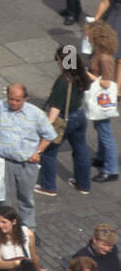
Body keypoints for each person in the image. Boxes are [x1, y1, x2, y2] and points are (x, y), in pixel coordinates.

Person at [0, 85, 57, 229]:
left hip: (27, 163)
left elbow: (49, 135)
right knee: (2, 197)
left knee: (26, 197)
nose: (13, 103)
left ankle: (28, 228)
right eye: (11, 99)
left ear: (25, 98)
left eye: (18, 100)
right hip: (3, 161)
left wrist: (38, 152)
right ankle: (3, 225)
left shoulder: (35, 114)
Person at [37, 45, 92, 196]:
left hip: (64, 120)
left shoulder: (63, 81)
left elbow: (54, 112)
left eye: (58, 59)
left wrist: (44, 131)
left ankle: (48, 186)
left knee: (48, 153)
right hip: (79, 116)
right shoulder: (81, 74)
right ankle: (83, 184)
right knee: (80, 150)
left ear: (64, 61)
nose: (58, 62)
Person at [85, 22, 119, 183]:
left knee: (105, 133)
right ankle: (100, 156)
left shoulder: (105, 58)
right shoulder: (98, 52)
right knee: (100, 128)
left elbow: (106, 82)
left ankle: (111, 169)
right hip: (99, 98)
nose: (87, 37)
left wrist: (86, 74)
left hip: (102, 99)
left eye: (89, 34)